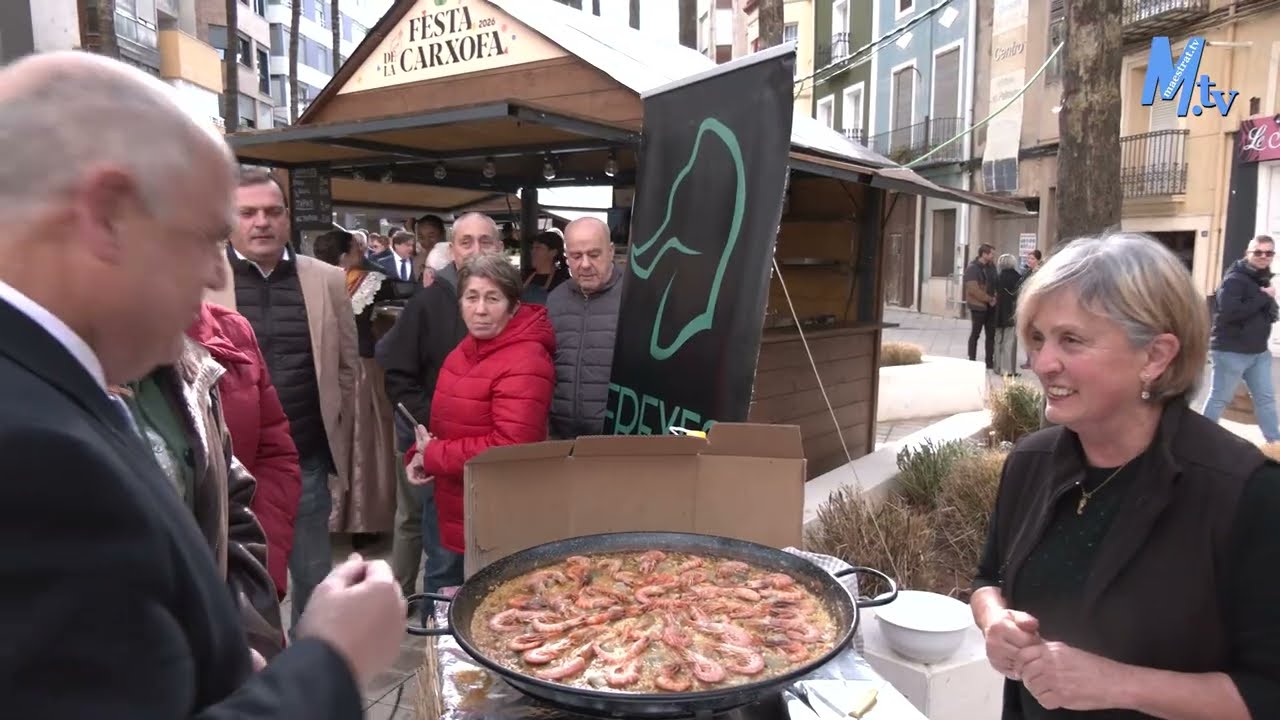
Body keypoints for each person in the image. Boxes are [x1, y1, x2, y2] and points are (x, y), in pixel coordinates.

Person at [0, 50, 403, 717]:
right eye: (202, 240)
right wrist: (331, 659)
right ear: (104, 217)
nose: (216, 280)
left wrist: (211, 652)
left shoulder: (50, 388)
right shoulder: (31, 452)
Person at [971, 232, 1280, 719]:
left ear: (1156, 356)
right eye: (1037, 338)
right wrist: (993, 620)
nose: (1042, 362)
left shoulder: (1246, 494)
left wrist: (1120, 685)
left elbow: (1269, 692)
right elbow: (988, 579)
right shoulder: (1031, 460)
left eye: (1071, 339)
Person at [207, 167, 359, 631]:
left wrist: (338, 439)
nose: (261, 223)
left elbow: (347, 368)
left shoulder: (328, 280)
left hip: (304, 457)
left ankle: (309, 664)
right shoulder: (204, 277)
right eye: (247, 212)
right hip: (225, 464)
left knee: (312, 573)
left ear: (288, 219)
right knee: (232, 578)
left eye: (272, 212)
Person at [110, 336, 285, 661]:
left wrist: (250, 639)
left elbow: (232, 516)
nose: (216, 281)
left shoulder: (188, 370)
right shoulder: (37, 387)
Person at [406, 253, 556, 583]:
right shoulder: (466, 349)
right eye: (471, 297)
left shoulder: (526, 360)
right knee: (444, 593)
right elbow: (453, 423)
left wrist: (432, 456)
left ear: (514, 305)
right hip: (455, 503)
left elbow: (510, 446)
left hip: (492, 515)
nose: (481, 309)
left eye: (493, 298)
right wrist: (420, 454)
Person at [378, 212, 502, 597]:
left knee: (497, 557)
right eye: (467, 242)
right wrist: (435, 425)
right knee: (445, 558)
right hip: (443, 452)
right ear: (453, 249)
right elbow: (397, 372)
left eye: (485, 241)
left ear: (499, 247)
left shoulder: (512, 304)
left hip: (497, 452)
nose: (477, 250)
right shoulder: (429, 302)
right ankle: (440, 646)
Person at [187, 302, 301, 602]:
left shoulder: (232, 331)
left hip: (240, 594)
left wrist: (260, 570)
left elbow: (272, 453)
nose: (216, 274)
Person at [313, 229, 397, 538]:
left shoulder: (312, 281)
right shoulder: (371, 281)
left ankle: (326, 516)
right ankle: (363, 521)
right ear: (347, 252)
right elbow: (386, 327)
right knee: (365, 442)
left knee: (331, 439)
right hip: (361, 368)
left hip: (321, 369)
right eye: (356, 248)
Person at [546, 217, 623, 439]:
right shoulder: (555, 299)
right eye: (576, 256)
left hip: (616, 439)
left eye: (594, 254)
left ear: (610, 251)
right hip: (559, 436)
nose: (585, 264)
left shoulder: (635, 297)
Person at [1200, 234, 1280, 442]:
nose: (1263, 256)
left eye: (1268, 252)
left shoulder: (1261, 278)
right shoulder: (1235, 279)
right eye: (1258, 252)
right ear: (1248, 253)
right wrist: (1264, 296)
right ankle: (1200, 440)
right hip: (1231, 351)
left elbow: (1267, 312)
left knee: (1265, 400)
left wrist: (1270, 303)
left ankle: (1275, 443)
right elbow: (1229, 312)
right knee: (1220, 399)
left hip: (1259, 352)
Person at [964, 243, 998, 370]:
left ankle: (989, 361)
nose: (993, 256)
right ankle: (971, 359)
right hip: (978, 306)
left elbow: (995, 282)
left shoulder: (992, 267)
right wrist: (989, 299)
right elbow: (973, 289)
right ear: (984, 254)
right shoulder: (973, 268)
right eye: (991, 254)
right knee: (975, 334)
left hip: (991, 306)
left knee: (991, 335)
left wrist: (995, 297)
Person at [993, 253, 1023, 377]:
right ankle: (1007, 370)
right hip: (1011, 311)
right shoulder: (1017, 277)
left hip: (998, 312)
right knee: (1009, 342)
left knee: (998, 340)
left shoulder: (997, 277)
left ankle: (997, 367)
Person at [521, 230, 570, 304]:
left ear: (553, 252)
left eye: (538, 248)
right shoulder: (524, 276)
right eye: (533, 248)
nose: (533, 251)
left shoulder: (562, 282)